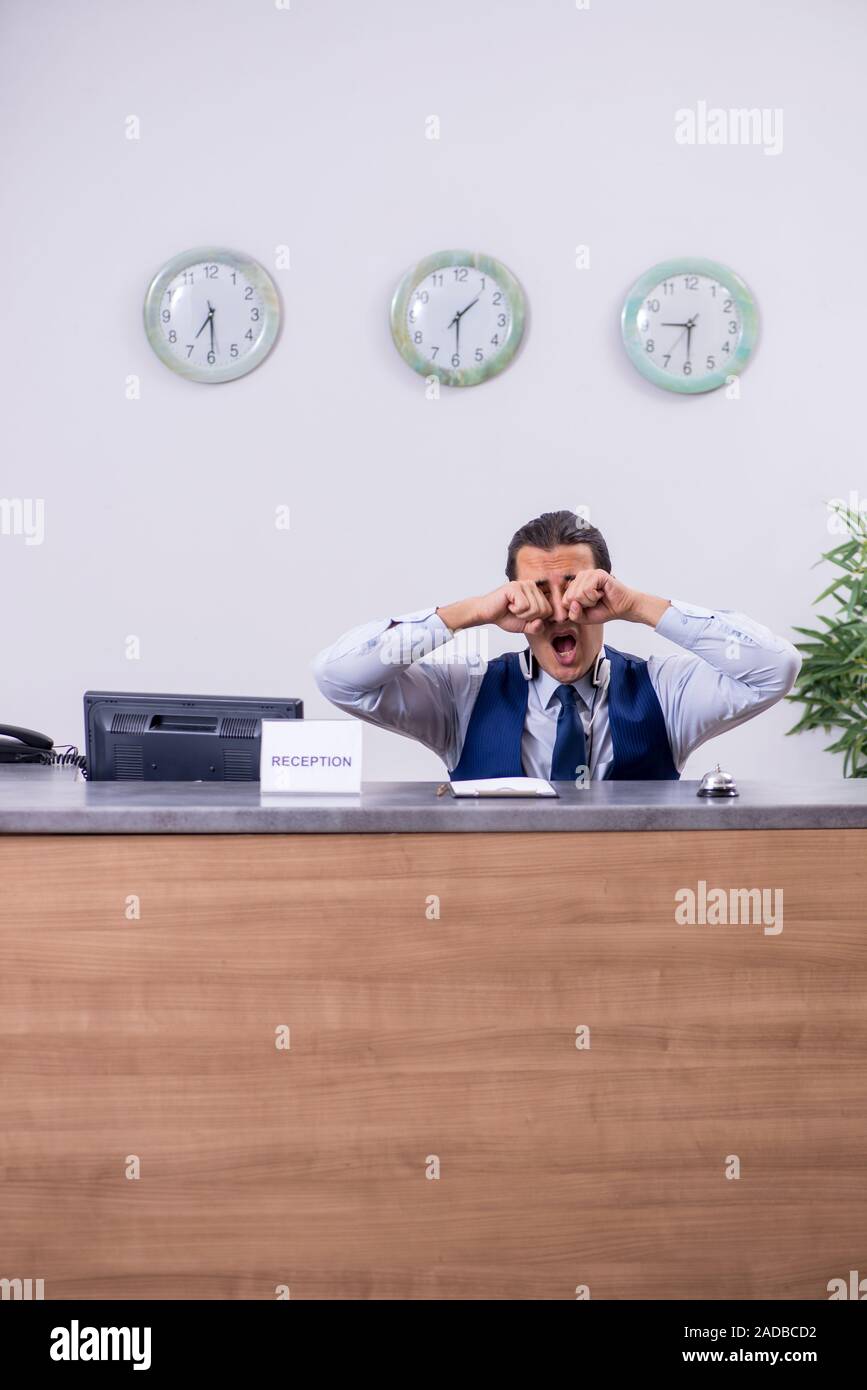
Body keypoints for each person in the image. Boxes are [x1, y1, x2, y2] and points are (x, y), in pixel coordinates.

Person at [313, 510, 801, 781]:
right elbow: (339, 677)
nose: (557, 610)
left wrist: (640, 606)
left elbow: (775, 667)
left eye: (571, 586)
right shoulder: (462, 694)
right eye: (536, 591)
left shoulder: (664, 691)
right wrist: (469, 613)